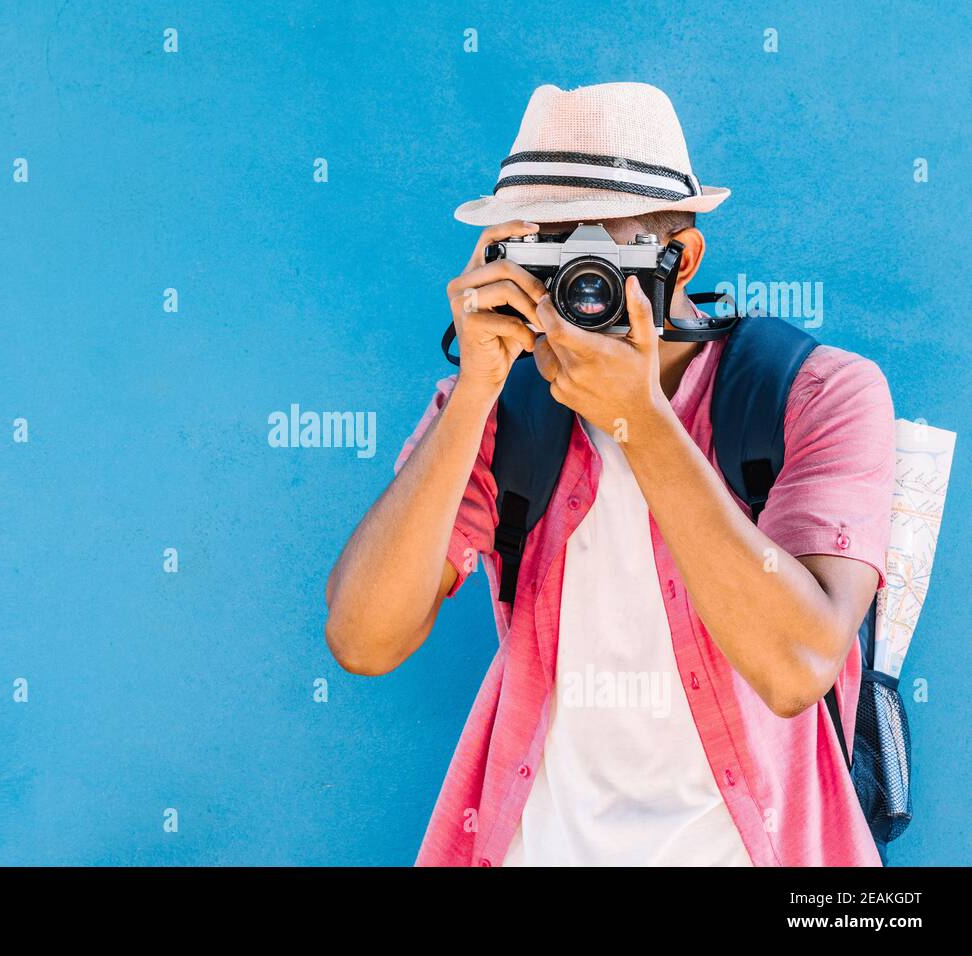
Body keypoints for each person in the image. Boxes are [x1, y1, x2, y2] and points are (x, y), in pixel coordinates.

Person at [323, 83, 895, 866]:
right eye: (546, 253)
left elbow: (796, 667)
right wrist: (476, 392)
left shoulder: (818, 393)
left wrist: (642, 422)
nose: (573, 288)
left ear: (680, 257)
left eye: (599, 254)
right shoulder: (498, 408)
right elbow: (363, 639)